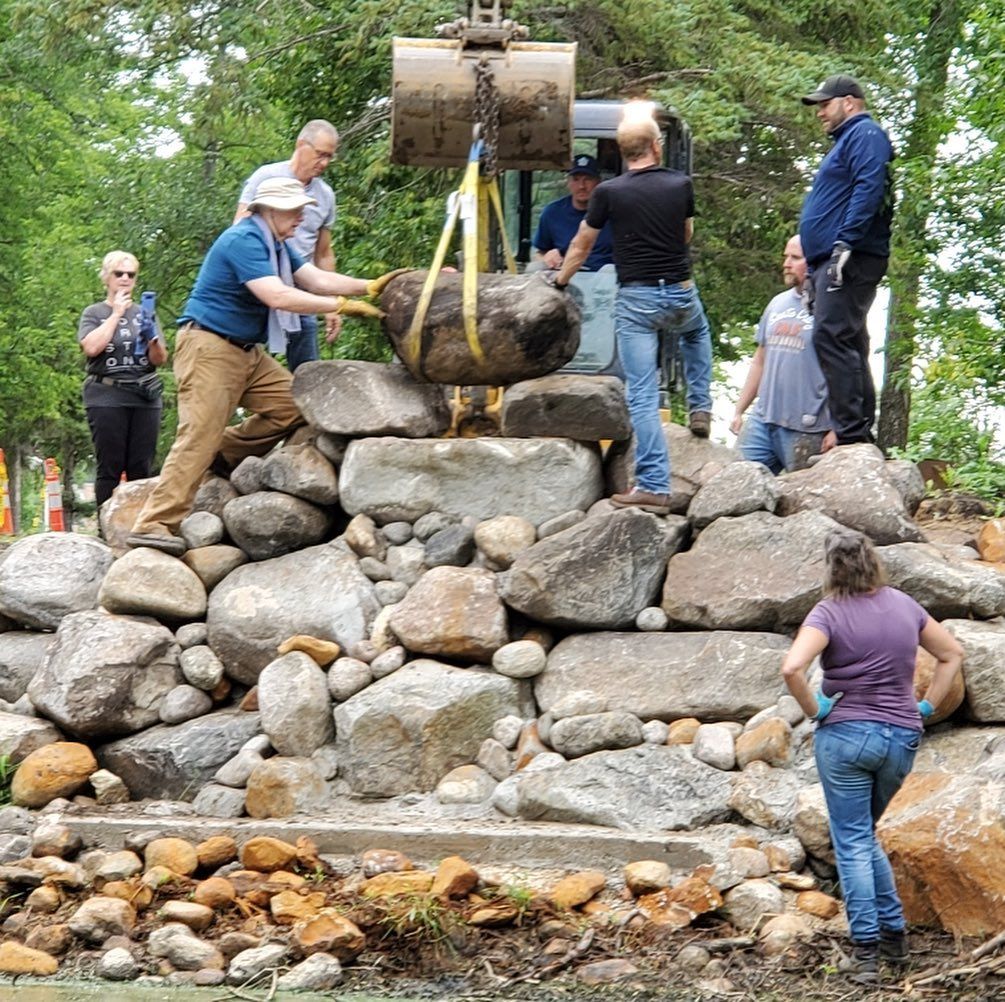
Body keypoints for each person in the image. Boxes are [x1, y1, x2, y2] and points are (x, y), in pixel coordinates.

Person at [127, 178, 394, 556]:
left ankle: (221, 451)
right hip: (210, 347)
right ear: (269, 209)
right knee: (197, 436)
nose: (303, 216)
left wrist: (370, 287)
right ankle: (155, 522)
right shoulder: (244, 240)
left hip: (246, 353)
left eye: (304, 209)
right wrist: (339, 306)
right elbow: (277, 295)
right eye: (295, 209)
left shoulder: (278, 247)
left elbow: (316, 279)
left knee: (298, 408)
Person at [781, 528, 963, 984]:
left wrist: (817, 708)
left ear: (830, 567)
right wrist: (925, 708)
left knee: (852, 842)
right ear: (873, 562)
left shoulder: (828, 612)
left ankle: (865, 954)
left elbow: (791, 668)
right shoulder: (904, 604)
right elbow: (952, 654)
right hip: (901, 738)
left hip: (846, 738)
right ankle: (895, 940)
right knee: (865, 835)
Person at [553, 112, 714, 515]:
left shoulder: (609, 193)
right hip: (679, 293)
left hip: (637, 301)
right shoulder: (681, 184)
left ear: (623, 154)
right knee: (696, 334)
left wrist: (560, 282)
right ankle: (700, 405)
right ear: (656, 147)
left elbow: (581, 246)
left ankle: (654, 486)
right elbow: (686, 235)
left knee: (641, 395)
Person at [799, 74, 894, 445]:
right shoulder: (847, 141)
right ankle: (858, 434)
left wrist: (845, 245)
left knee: (831, 335)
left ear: (849, 102)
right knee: (850, 340)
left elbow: (868, 186)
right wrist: (811, 269)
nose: (820, 112)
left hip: (852, 255)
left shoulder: (865, 135)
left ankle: (852, 435)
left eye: (825, 104)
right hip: (835, 257)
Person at [235, 120, 341, 370]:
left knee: (308, 370)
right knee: (241, 357)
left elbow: (324, 254)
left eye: (329, 157)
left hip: (301, 286)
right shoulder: (266, 177)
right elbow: (240, 228)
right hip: (261, 283)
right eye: (320, 154)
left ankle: (301, 408)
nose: (324, 163)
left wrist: (332, 304)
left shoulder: (325, 195)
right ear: (301, 145)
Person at [730, 235, 835, 472]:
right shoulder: (777, 304)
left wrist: (837, 427)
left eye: (795, 258)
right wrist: (739, 410)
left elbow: (847, 369)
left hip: (807, 427)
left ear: (814, 262)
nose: (786, 263)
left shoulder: (830, 308)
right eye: (785, 256)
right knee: (733, 484)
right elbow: (760, 361)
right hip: (762, 421)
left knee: (800, 502)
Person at [78, 251, 169, 507]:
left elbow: (160, 358)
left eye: (131, 274)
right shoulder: (94, 312)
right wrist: (117, 313)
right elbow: (91, 348)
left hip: (143, 395)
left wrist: (151, 337)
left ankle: (138, 526)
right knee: (111, 465)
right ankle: (105, 526)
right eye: (119, 273)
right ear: (107, 277)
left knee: (141, 466)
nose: (125, 278)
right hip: (106, 394)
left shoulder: (144, 312)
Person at [533, 154, 614, 271]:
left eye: (588, 179)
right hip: (564, 277)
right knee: (534, 267)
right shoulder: (552, 213)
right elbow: (539, 253)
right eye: (576, 179)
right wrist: (547, 257)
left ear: (599, 182)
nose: (581, 186)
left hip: (605, 279)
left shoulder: (614, 212)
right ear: (568, 183)